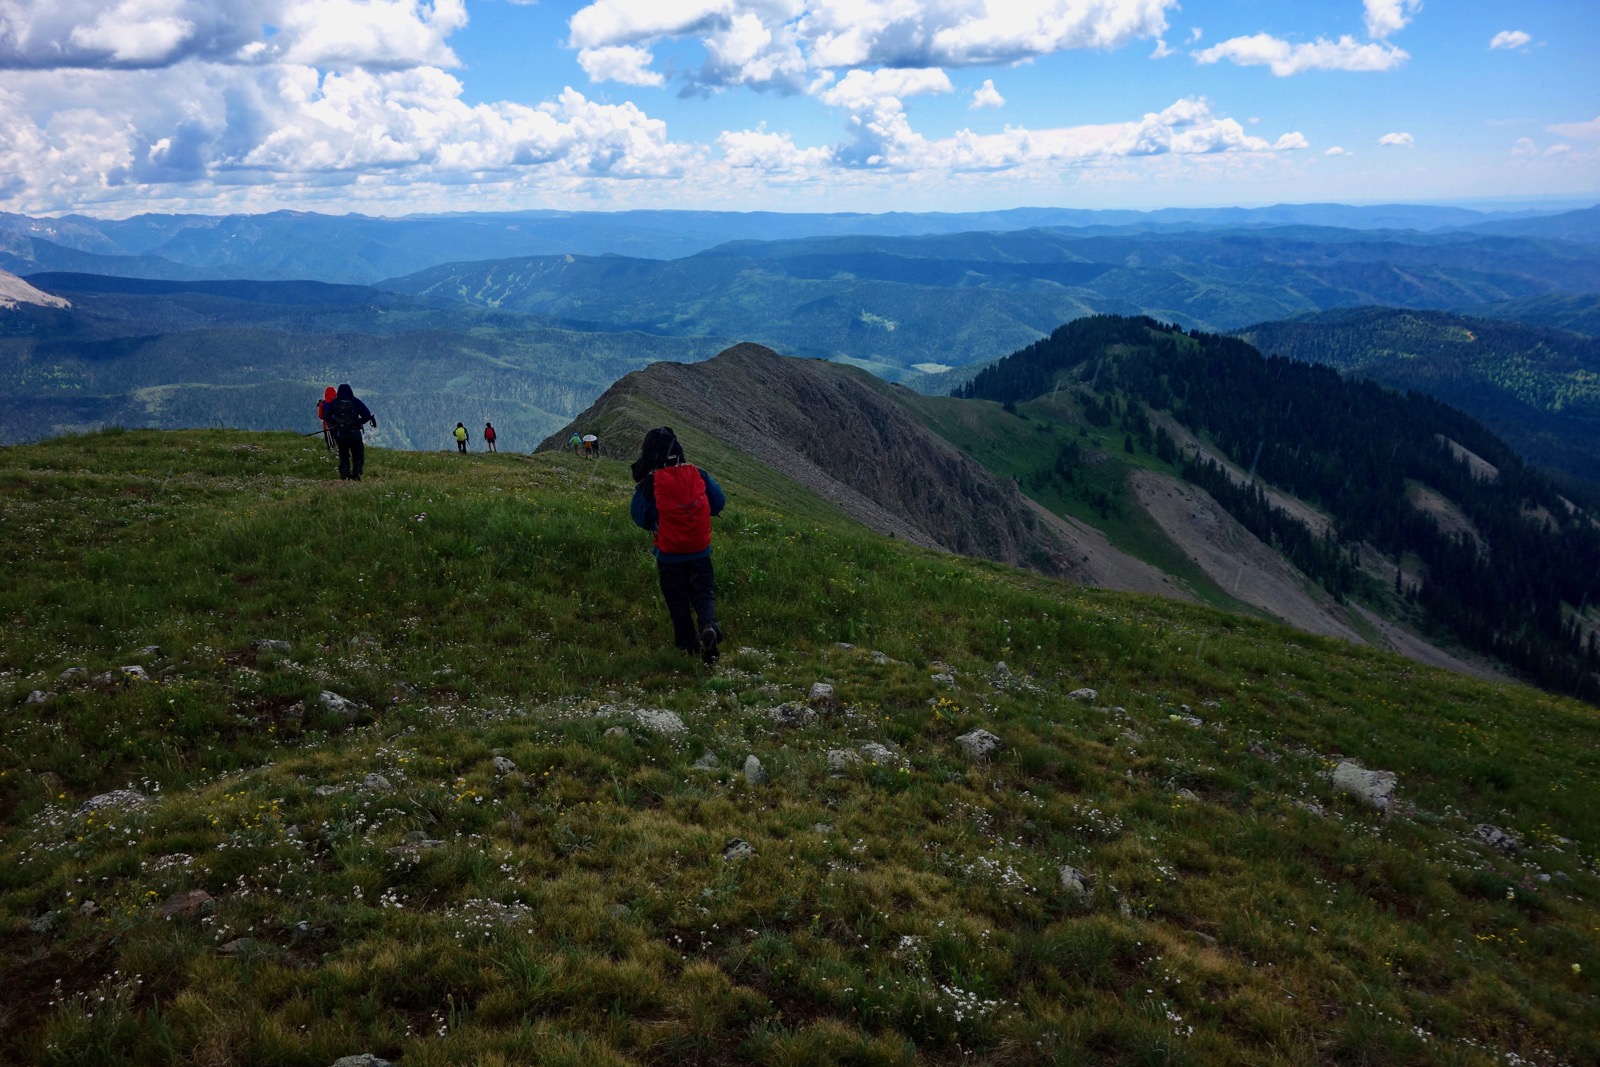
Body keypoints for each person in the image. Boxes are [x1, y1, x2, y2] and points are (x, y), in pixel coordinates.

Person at [630, 427, 726, 664]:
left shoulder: (650, 483)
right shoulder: (697, 473)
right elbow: (718, 502)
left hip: (669, 555)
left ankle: (688, 648)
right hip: (700, 551)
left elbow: (639, 516)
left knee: (677, 601)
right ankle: (709, 626)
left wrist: (658, 521)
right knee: (703, 594)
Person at [324, 383, 376, 481]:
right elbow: (367, 415)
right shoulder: (355, 402)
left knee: (344, 455)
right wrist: (358, 422)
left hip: (341, 434)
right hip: (354, 433)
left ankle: (345, 477)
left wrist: (336, 423)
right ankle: (357, 475)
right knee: (357, 455)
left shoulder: (335, 403)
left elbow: (326, 416)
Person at [316, 386, 336, 450]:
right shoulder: (337, 402)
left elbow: (320, 416)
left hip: (326, 425)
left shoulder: (323, 403)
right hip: (337, 424)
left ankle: (330, 449)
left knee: (329, 440)